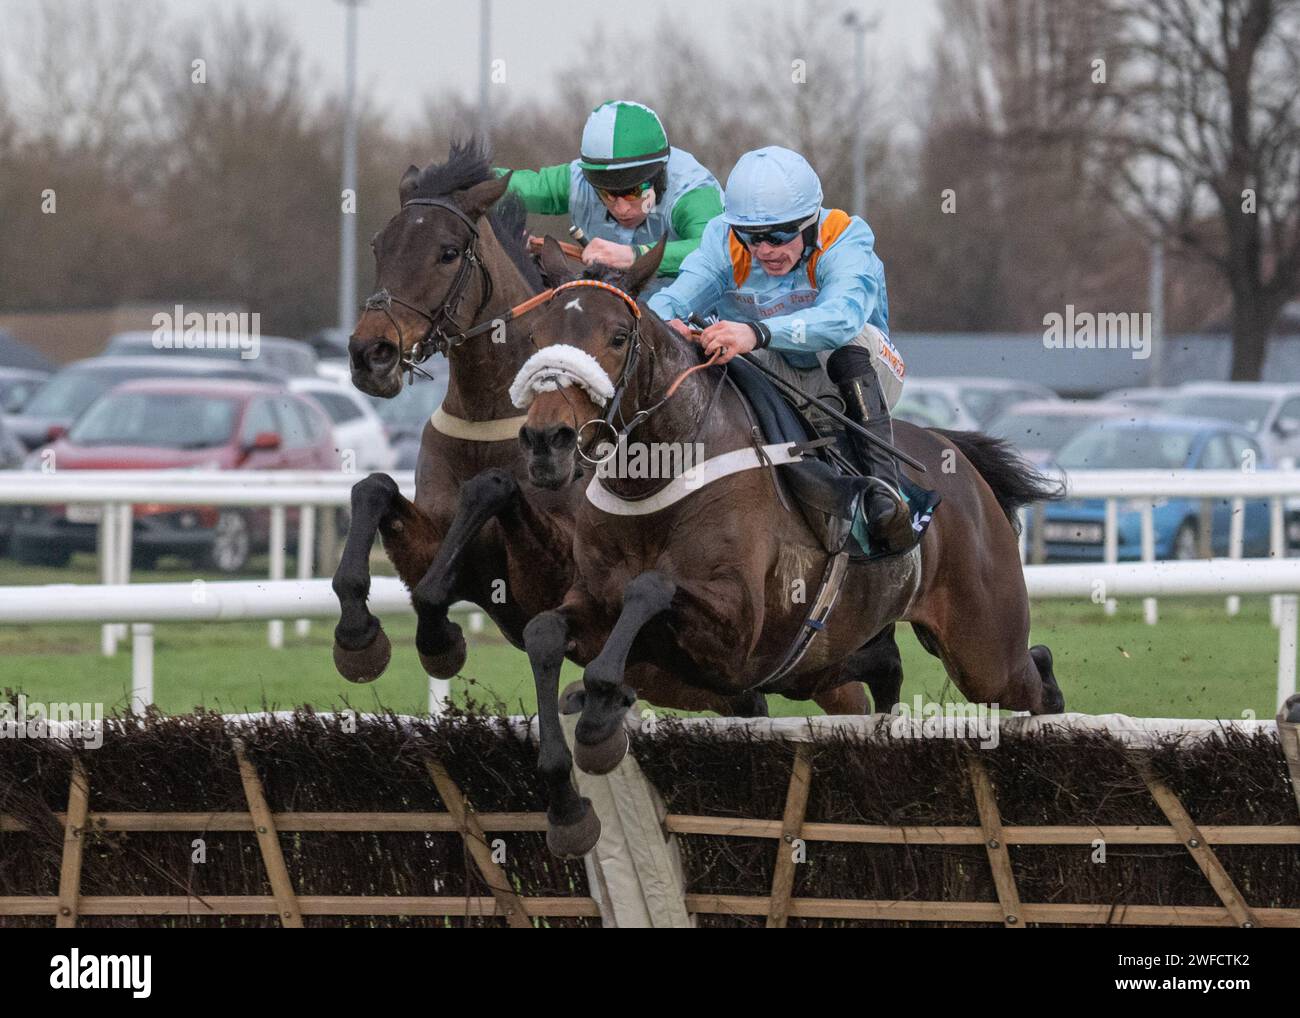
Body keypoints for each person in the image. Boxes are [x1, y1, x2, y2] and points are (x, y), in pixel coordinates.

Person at [647, 145, 912, 551]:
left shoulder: (845, 236)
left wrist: (754, 333)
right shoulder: (723, 240)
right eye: (750, 237)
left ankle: (884, 492)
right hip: (778, 374)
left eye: (779, 235)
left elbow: (842, 317)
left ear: (809, 224)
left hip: (858, 369)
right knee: (708, 343)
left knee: (848, 342)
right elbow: (667, 303)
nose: (764, 250)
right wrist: (667, 328)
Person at [498, 100, 722, 291]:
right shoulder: (578, 181)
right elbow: (498, 184)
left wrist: (634, 255)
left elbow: (716, 251)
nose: (621, 209)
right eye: (606, 194)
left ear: (659, 176)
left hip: (709, 320)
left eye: (634, 192)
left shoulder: (692, 191)